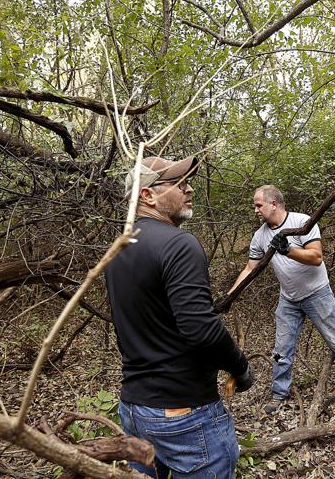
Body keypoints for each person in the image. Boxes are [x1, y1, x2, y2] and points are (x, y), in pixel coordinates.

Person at [105, 156, 254, 478]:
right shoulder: (179, 244)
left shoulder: (118, 248)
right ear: (148, 195)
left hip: (134, 409)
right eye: (179, 183)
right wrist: (240, 367)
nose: (189, 190)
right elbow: (200, 327)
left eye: (188, 182)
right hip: (183, 413)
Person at [229, 185, 335, 414]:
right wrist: (231, 294)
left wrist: (288, 250)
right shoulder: (260, 236)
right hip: (289, 299)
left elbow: (316, 257)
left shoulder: (302, 222)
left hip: (318, 294)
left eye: (258, 205)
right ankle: (279, 394)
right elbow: (250, 268)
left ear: (273, 203)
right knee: (281, 350)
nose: (255, 210)